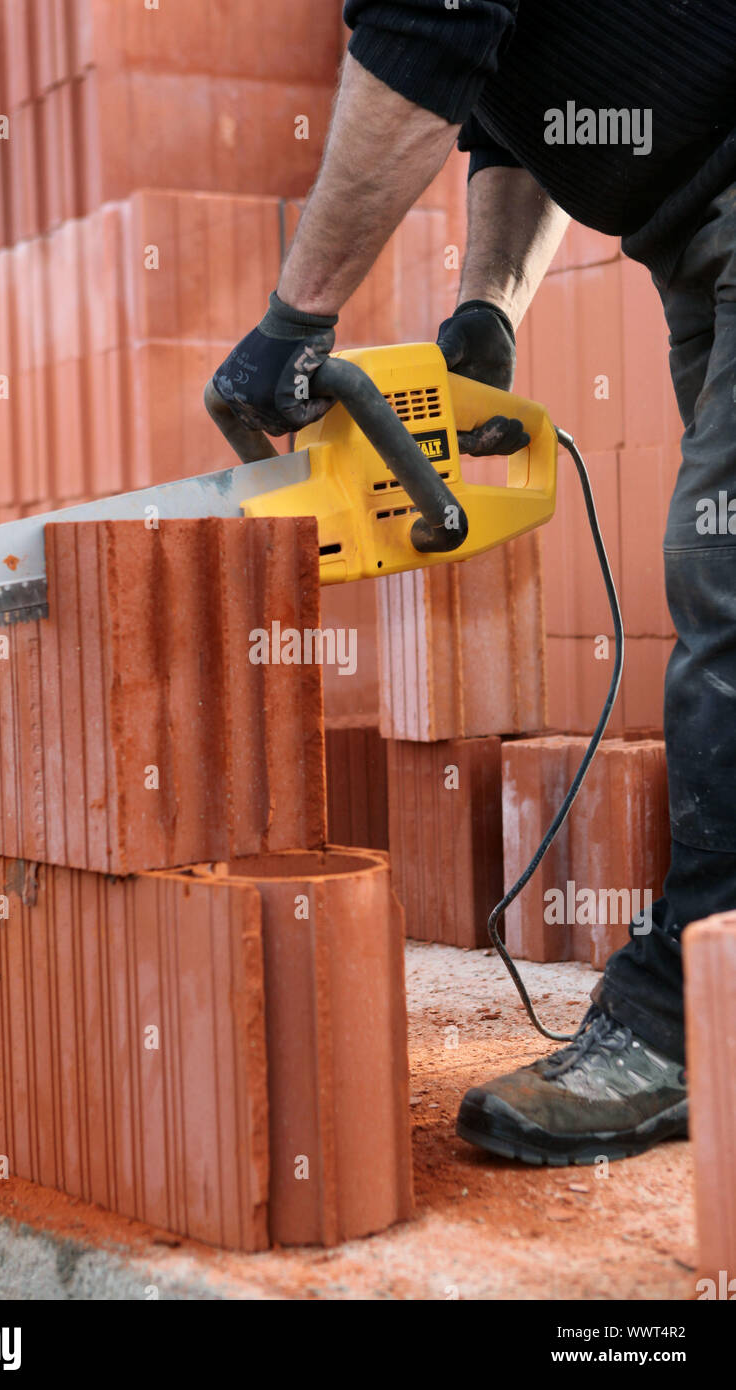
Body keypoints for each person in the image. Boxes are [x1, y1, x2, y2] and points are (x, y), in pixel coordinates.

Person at [211, 1, 736, 1163]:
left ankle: (685, 1029)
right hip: (692, 228)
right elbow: (509, 120)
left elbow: (422, 41)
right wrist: (489, 304)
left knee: (723, 581)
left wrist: (296, 319)